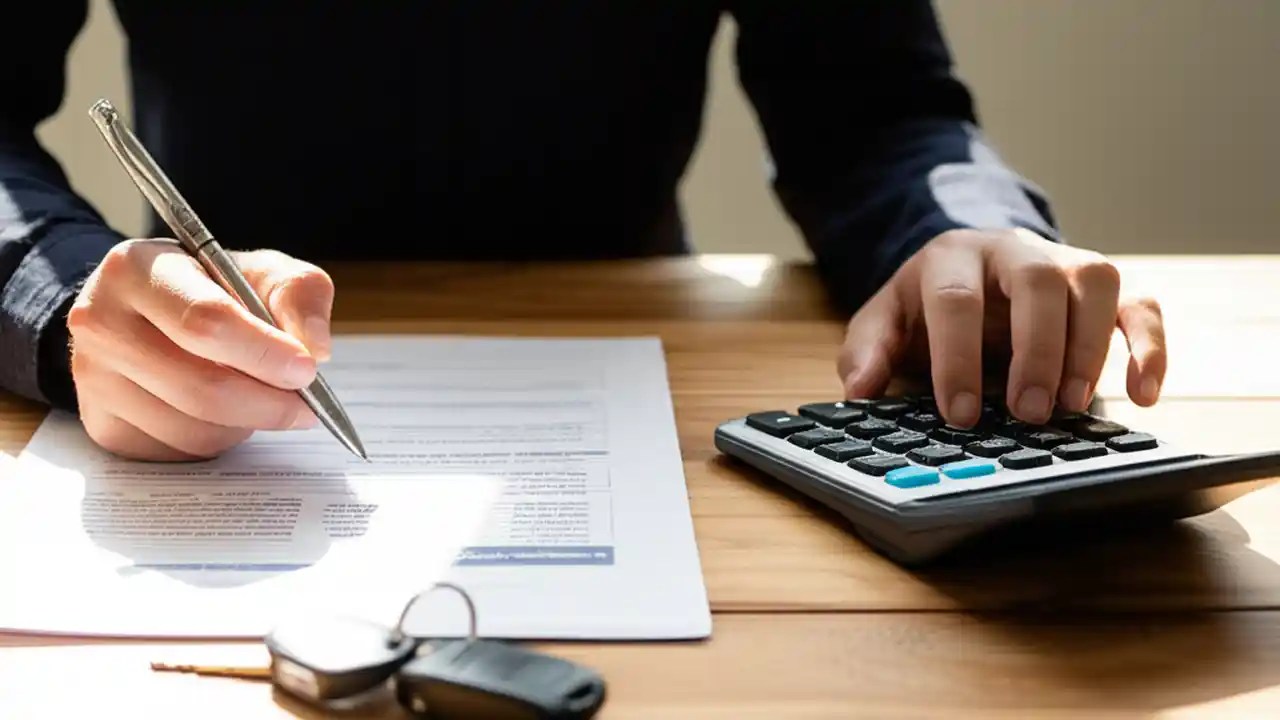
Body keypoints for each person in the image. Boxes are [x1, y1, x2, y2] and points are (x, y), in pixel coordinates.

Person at [0, 2, 1165, 462]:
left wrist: (959, 230)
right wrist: (66, 299)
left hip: (638, 379)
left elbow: (870, 106)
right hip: (193, 374)